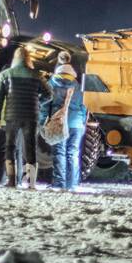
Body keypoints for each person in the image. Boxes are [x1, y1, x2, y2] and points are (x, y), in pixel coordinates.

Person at [0, 47, 48, 188]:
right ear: (28, 58)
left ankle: (11, 180)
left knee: (9, 147)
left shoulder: (5, 75)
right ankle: (31, 183)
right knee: (30, 148)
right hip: (31, 115)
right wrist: (38, 102)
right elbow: (49, 94)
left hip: (12, 115)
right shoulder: (37, 75)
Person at [45, 52, 88, 191]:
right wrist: (81, 121)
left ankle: (59, 183)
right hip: (76, 124)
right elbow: (83, 105)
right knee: (73, 153)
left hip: (59, 122)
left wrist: (43, 121)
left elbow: (45, 104)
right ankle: (73, 184)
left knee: (59, 152)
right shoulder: (77, 84)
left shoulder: (52, 83)